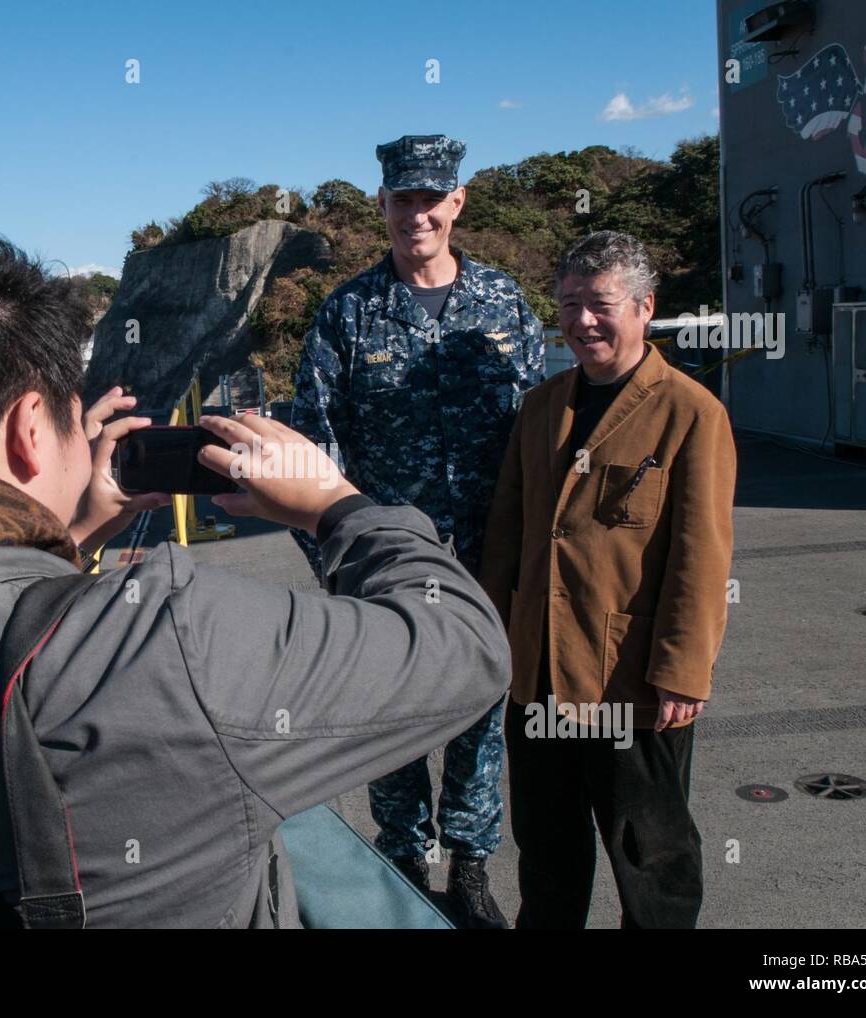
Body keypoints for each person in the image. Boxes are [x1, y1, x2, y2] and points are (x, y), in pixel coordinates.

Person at [0, 204, 511, 928]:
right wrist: (335, 505)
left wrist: (68, 532)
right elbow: (468, 647)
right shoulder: (164, 638)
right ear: (27, 431)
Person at [290, 135, 543, 927]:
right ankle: (398, 864)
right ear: (383, 205)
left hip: (486, 557)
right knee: (391, 709)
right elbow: (316, 446)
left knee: (477, 708)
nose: (418, 215)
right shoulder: (347, 314)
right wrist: (336, 555)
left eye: (433, 199)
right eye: (403, 200)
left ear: (458, 203)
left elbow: (538, 431)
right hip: (385, 562)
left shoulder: (505, 303)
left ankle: (470, 869)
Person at [479, 230, 737, 929]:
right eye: (568, 304)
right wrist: (489, 647)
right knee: (548, 857)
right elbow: (505, 539)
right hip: (538, 677)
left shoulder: (689, 412)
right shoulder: (540, 408)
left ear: (645, 307)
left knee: (651, 859)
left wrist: (684, 670)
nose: (582, 320)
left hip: (631, 677)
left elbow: (702, 554)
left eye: (601, 303)